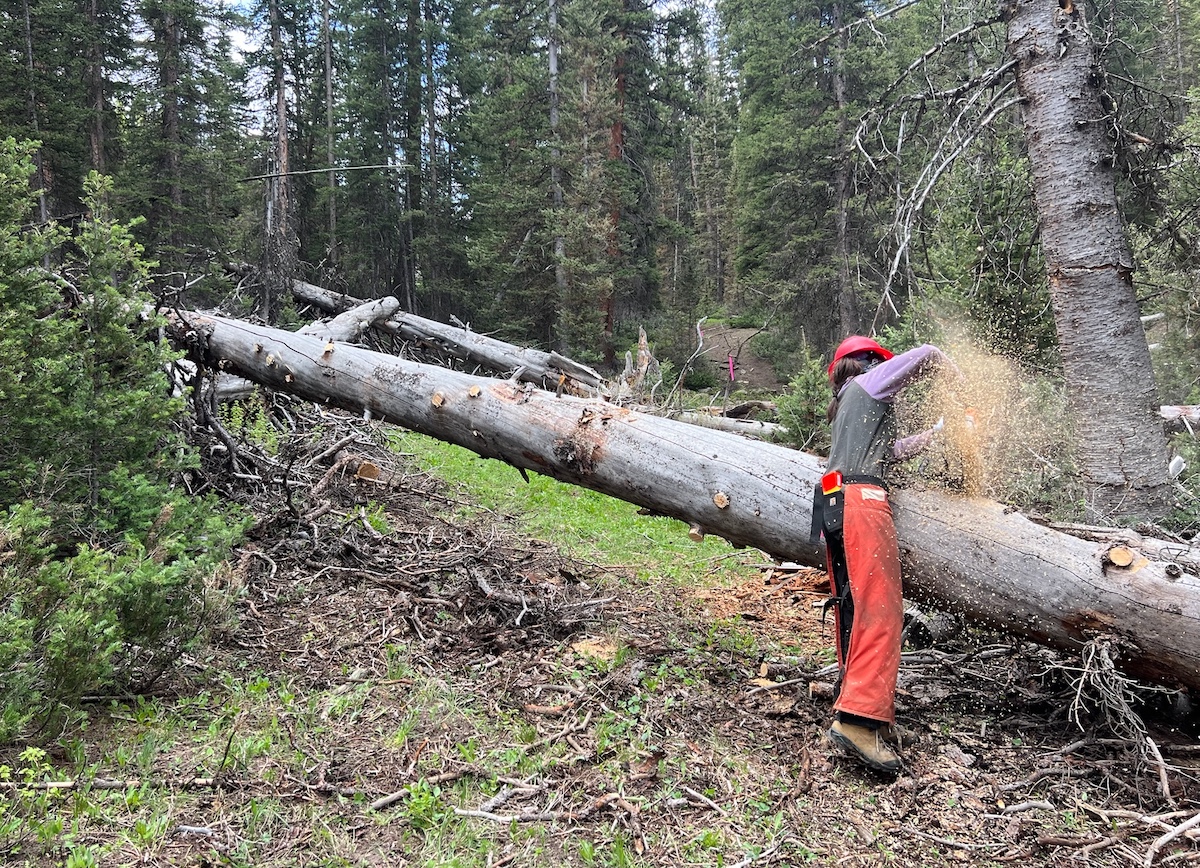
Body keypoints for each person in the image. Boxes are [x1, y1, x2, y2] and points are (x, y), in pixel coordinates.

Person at [812, 335, 959, 774]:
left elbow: (889, 451)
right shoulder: (870, 383)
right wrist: (961, 378)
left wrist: (934, 437)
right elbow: (928, 354)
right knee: (882, 610)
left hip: (833, 500)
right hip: (863, 500)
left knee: (853, 608)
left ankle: (855, 705)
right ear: (869, 363)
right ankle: (859, 722)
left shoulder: (847, 404)